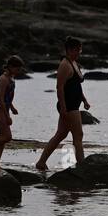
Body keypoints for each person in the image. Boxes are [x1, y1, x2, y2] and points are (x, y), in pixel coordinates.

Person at [35, 37, 91, 171]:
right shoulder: (65, 65)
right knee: (78, 136)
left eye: (80, 50)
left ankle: (41, 162)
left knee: (60, 134)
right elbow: (59, 88)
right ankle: (82, 166)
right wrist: (64, 109)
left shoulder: (74, 63)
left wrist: (84, 100)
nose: (79, 52)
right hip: (68, 106)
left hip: (74, 104)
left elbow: (76, 85)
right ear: (70, 50)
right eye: (77, 50)